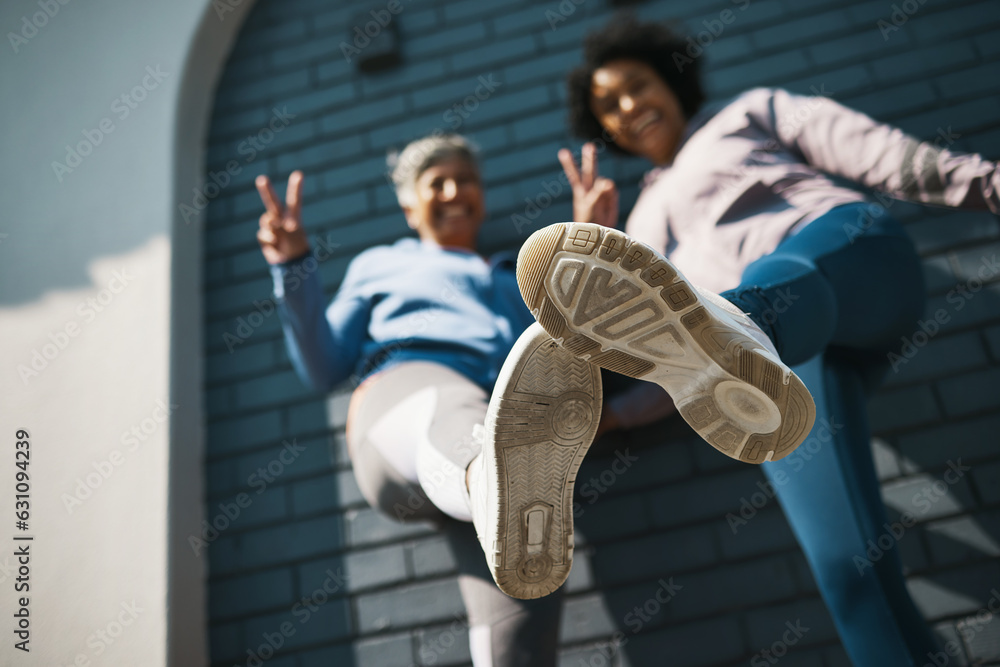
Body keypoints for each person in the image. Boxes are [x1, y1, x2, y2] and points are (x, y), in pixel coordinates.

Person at [535, 13, 1000, 666]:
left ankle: (744, 323)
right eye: (608, 107)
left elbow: (883, 156)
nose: (628, 107)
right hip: (780, 362)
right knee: (849, 570)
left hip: (854, 259)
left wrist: (990, 185)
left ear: (670, 79)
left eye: (636, 85)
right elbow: (676, 366)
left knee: (769, 283)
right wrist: (607, 411)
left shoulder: (748, 114)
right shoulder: (636, 228)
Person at [255, 134, 603, 666]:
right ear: (408, 205)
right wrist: (293, 265)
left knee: (526, 603)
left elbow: (576, 357)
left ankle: (494, 486)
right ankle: (492, 479)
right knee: (464, 418)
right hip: (403, 406)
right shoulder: (380, 265)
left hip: (486, 430)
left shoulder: (516, 280)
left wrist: (589, 250)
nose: (453, 190)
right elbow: (322, 366)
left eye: (465, 179)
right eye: (436, 182)